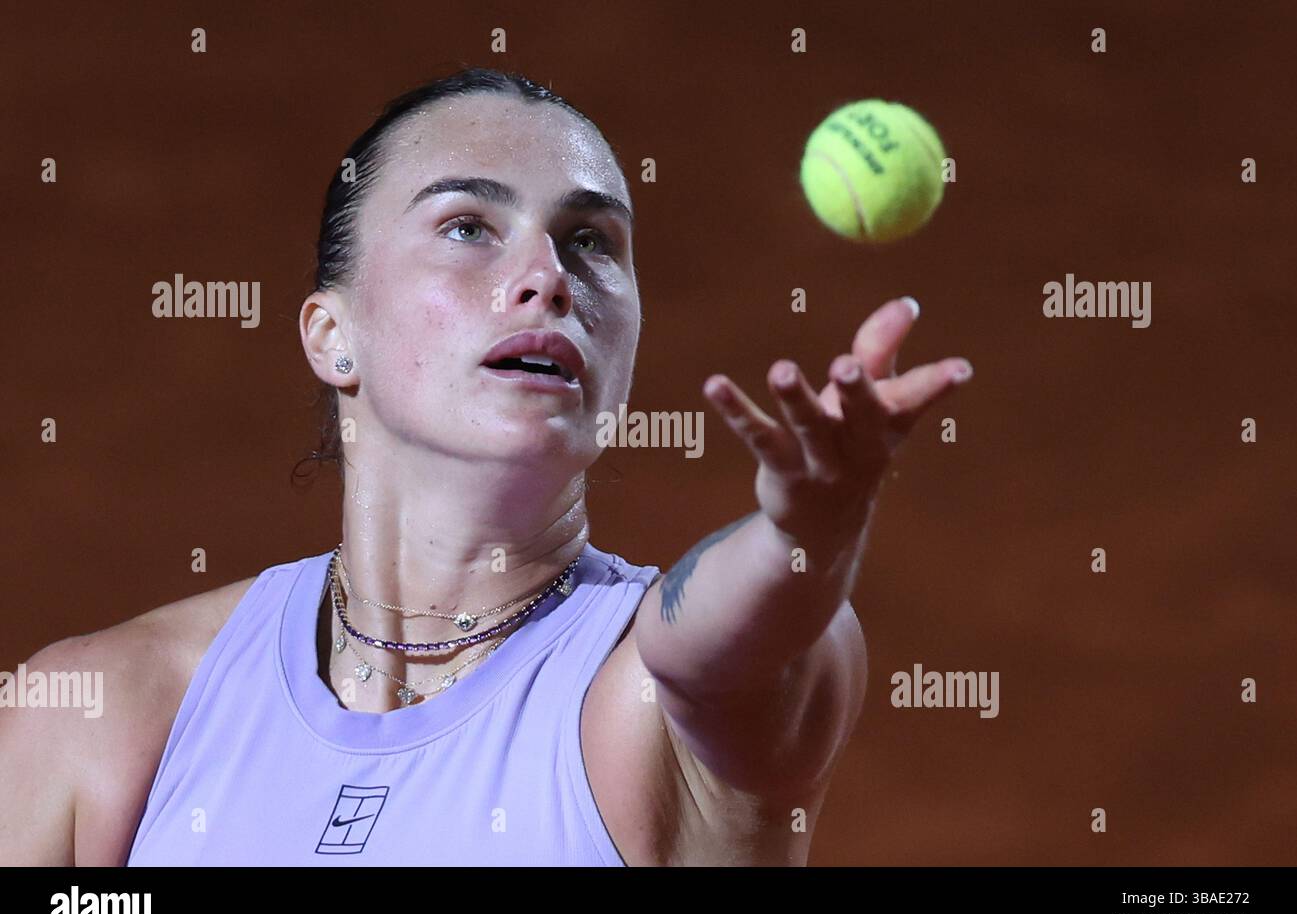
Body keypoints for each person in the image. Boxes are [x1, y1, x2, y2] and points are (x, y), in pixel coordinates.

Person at [0, 67, 972, 866]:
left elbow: (737, 634)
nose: (547, 272)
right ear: (333, 334)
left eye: (591, 241)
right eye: (468, 225)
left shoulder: (644, 709)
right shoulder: (104, 709)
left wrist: (806, 533)